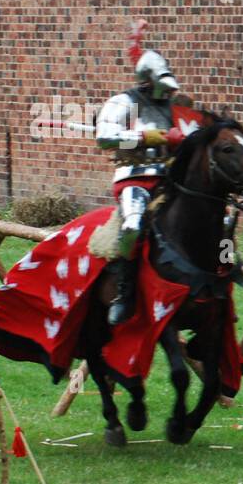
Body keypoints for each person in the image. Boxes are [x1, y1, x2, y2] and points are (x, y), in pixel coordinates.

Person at [94, 48, 182, 325]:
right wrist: (145, 137)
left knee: (219, 213)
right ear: (146, 82)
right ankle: (124, 290)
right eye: (160, 88)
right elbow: (105, 138)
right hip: (135, 177)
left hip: (171, 177)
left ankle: (221, 273)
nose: (165, 95)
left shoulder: (174, 105)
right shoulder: (124, 102)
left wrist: (186, 140)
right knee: (133, 224)